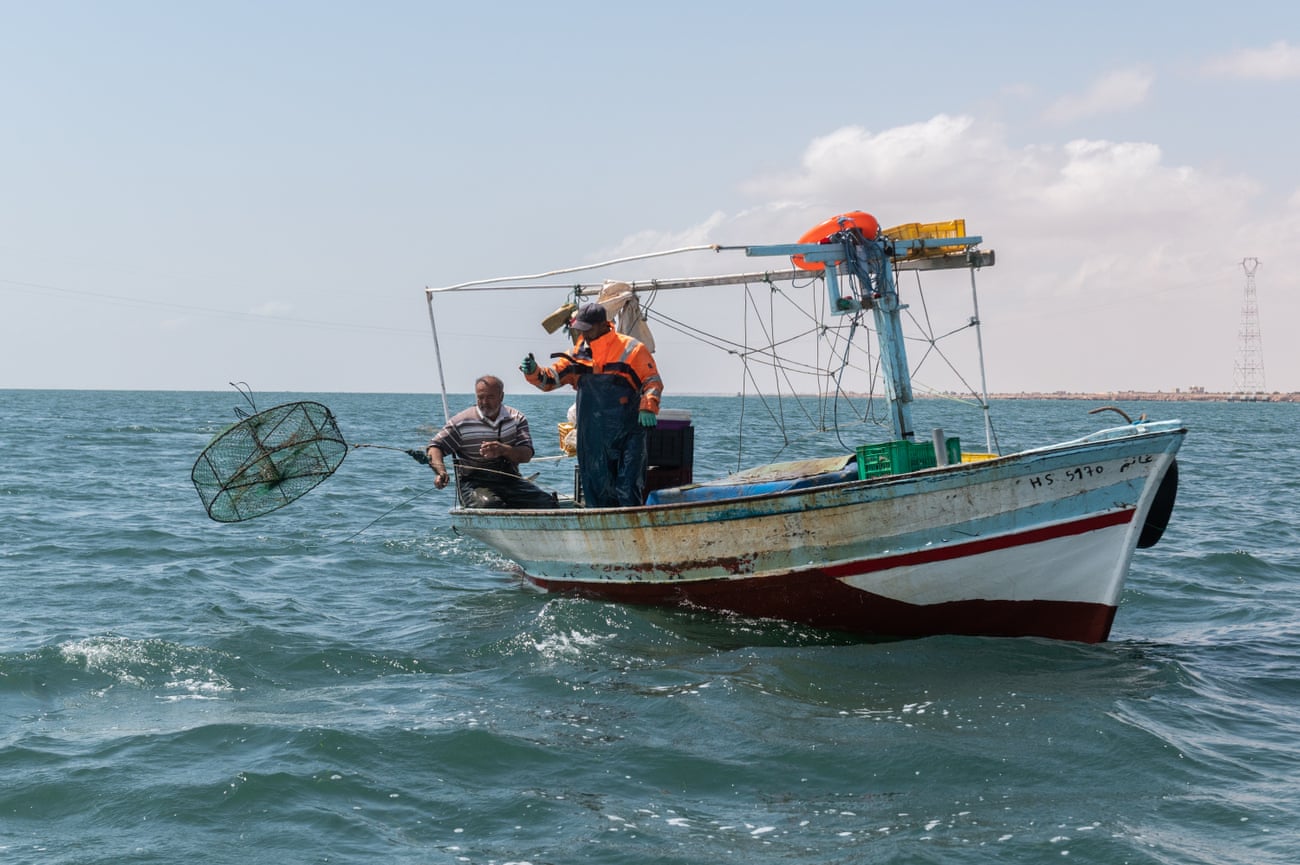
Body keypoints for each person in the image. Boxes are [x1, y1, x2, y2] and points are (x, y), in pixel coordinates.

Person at [521, 302, 663, 507]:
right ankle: (602, 532)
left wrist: (648, 406)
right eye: (580, 329)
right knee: (596, 489)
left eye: (587, 329)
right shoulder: (577, 354)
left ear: (604, 325)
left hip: (628, 433)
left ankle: (630, 531)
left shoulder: (632, 349)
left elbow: (652, 381)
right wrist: (533, 371)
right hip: (592, 436)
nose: (583, 334)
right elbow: (550, 379)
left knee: (628, 486)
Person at [426, 375, 557, 509]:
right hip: (474, 484)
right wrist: (440, 472)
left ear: (501, 396)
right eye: (480, 397)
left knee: (548, 503)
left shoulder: (516, 419)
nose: (484, 402)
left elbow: (526, 454)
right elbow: (435, 447)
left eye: (490, 397)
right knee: (491, 504)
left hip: (510, 480)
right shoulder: (461, 422)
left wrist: (504, 450)